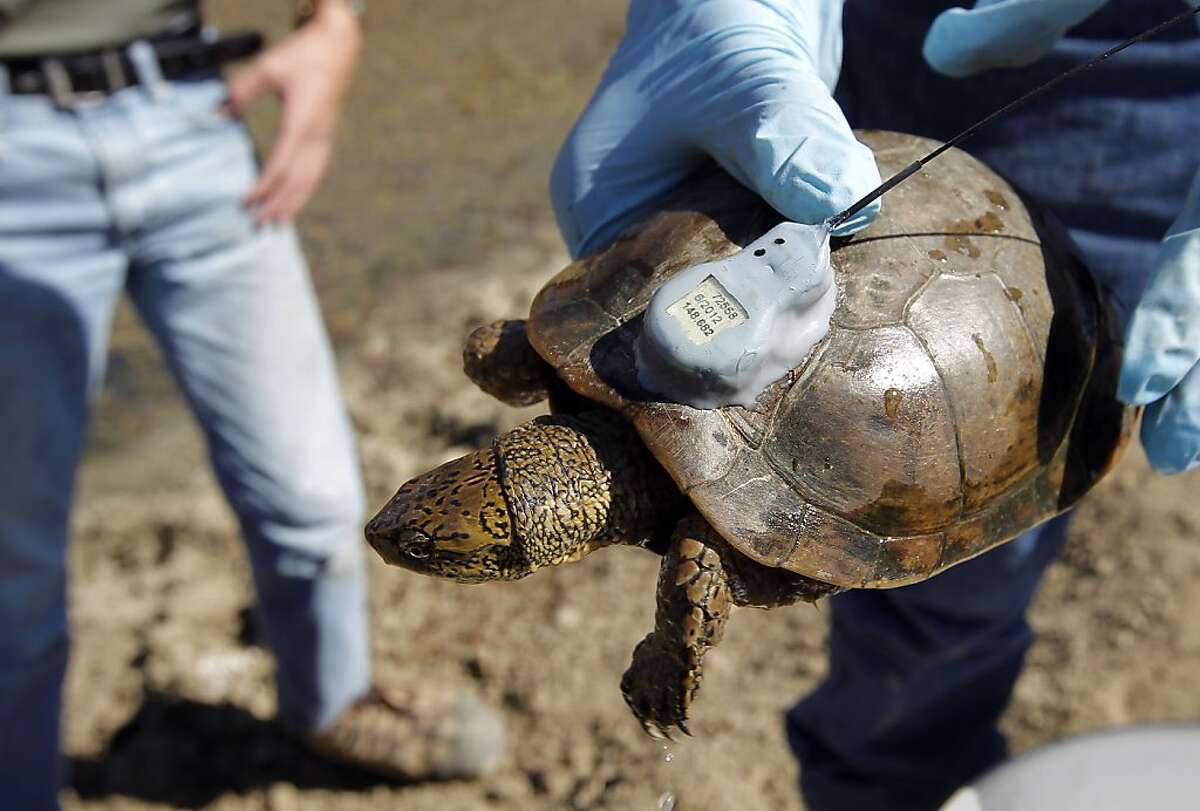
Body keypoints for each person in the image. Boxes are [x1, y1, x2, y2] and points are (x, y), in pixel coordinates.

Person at [550, 1, 1200, 809]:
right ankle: (889, 776)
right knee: (926, 621)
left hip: (1161, 95)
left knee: (969, 565)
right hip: (902, 58)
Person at [0, 1, 502, 808]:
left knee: (315, 499)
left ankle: (330, 700)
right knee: (13, 583)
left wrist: (334, 24)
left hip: (189, 110)